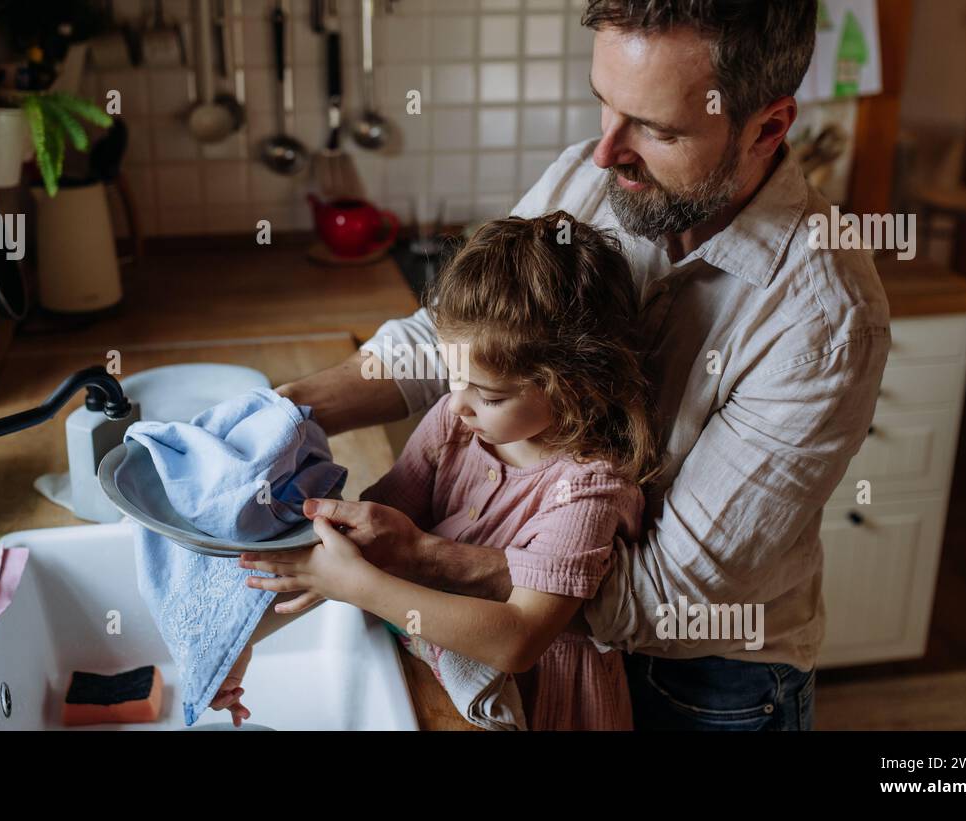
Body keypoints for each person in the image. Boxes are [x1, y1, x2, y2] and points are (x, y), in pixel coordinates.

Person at [267, 0, 891, 730]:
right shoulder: (593, 182)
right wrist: (287, 410)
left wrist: (433, 559)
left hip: (703, 680)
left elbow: (661, 593)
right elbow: (459, 343)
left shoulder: (823, 317)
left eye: (655, 129)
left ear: (768, 127)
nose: (604, 153)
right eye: (606, 107)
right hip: (536, 633)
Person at [242, 212, 660, 729]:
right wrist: (241, 648)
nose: (458, 404)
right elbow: (366, 530)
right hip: (433, 674)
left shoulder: (586, 493)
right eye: (452, 376)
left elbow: (518, 640)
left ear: (575, 387)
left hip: (545, 704)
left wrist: (353, 584)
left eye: (488, 395)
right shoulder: (455, 422)